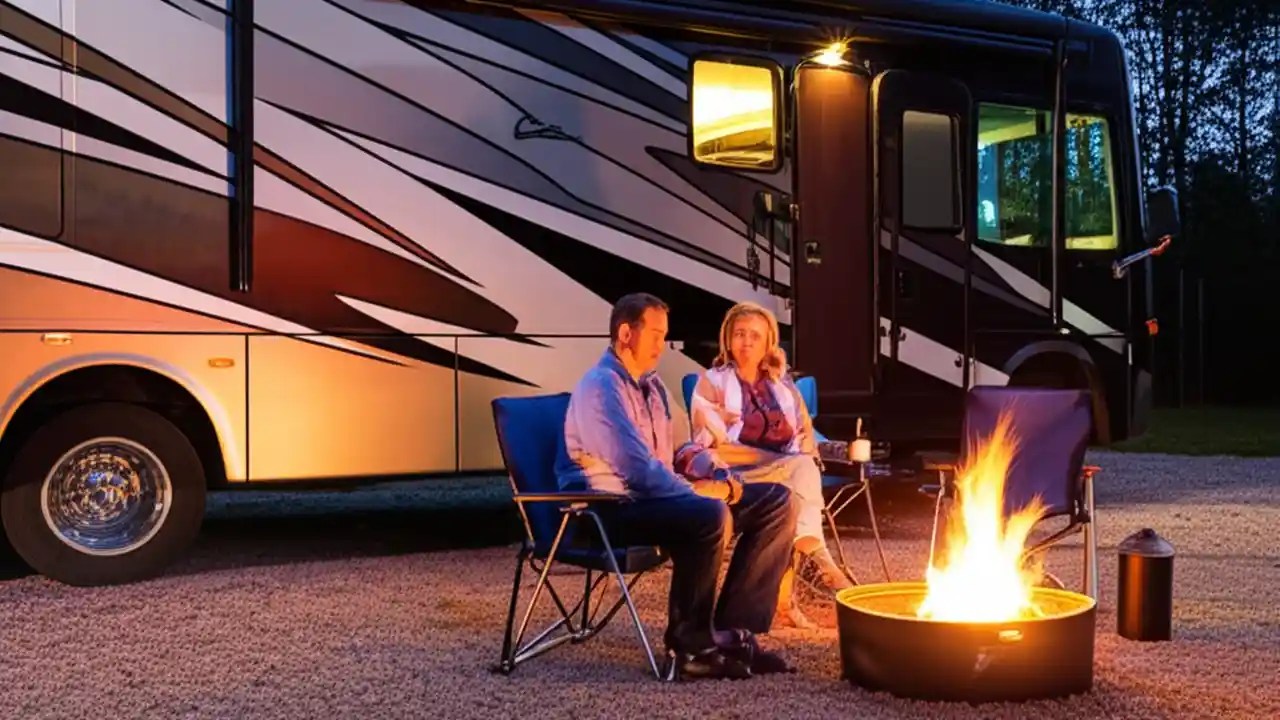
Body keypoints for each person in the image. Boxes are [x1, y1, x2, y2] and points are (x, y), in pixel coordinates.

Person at [556, 292, 796, 680]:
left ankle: (731, 635)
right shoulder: (602, 387)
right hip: (605, 510)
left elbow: (680, 449)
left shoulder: (651, 386)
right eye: (655, 334)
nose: (662, 346)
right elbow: (638, 470)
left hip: (647, 501)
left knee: (777, 501)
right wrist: (697, 493)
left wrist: (718, 475)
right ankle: (691, 648)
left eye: (665, 336)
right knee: (708, 514)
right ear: (625, 333)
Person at [689, 301, 853, 625]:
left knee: (797, 481)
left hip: (782, 473)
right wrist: (773, 458)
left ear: (768, 343)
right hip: (734, 476)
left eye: (754, 336)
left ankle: (786, 600)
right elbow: (706, 443)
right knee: (796, 474)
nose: (746, 342)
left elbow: (805, 433)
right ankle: (822, 565)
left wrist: (807, 452)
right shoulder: (712, 382)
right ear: (728, 339)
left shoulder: (782, 386)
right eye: (739, 334)